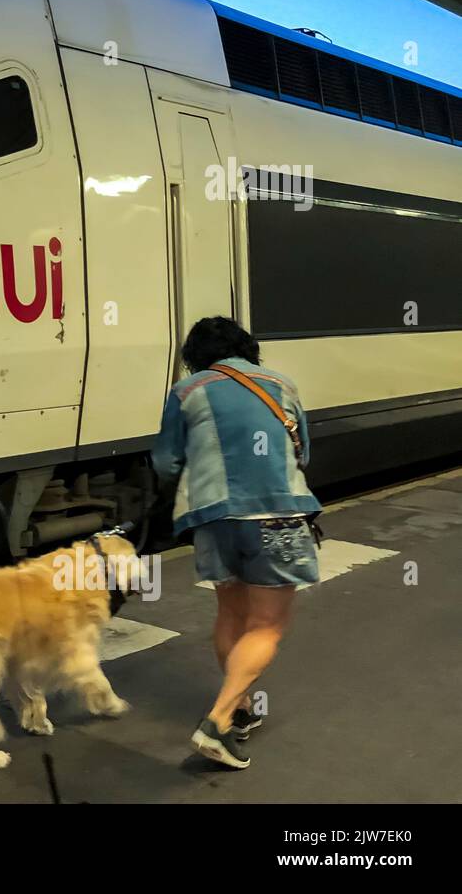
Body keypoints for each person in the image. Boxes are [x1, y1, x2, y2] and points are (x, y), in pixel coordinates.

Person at [151, 316, 321, 770]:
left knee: (230, 612)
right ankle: (218, 722)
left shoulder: (186, 392)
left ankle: (241, 707)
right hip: (275, 515)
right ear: (248, 349)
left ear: (194, 357)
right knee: (266, 625)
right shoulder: (280, 384)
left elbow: (167, 462)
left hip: (211, 518)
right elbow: (302, 448)